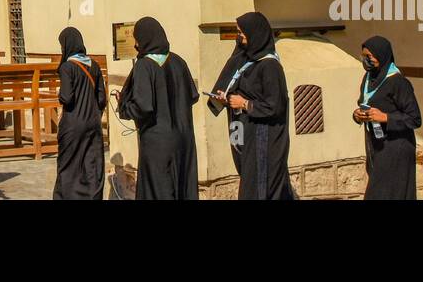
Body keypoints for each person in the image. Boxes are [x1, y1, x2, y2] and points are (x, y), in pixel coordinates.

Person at [209, 11, 293, 199]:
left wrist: (244, 103)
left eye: (242, 32)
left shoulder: (270, 66)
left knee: (261, 187)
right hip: (248, 134)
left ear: (255, 34)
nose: (240, 37)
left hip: (264, 137)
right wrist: (228, 97)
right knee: (251, 183)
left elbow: (275, 106)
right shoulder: (247, 60)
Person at [113, 16, 199, 200]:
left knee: (158, 191)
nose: (135, 44)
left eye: (137, 38)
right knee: (180, 188)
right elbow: (192, 96)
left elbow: (143, 106)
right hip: (184, 140)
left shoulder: (144, 65)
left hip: (157, 144)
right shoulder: (179, 61)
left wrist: (124, 107)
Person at [353, 35, 421, 199]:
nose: (366, 60)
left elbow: (415, 118)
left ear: (382, 55)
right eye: (364, 56)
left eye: (369, 56)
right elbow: (364, 101)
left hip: (396, 147)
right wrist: (357, 115)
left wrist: (386, 117)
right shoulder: (369, 78)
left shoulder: (398, 82)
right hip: (377, 144)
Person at [53, 26, 107, 200]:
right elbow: (101, 99)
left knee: (69, 166)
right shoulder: (95, 66)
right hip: (94, 124)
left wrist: (59, 94)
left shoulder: (67, 67)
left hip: (73, 124)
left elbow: (67, 98)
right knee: (92, 167)